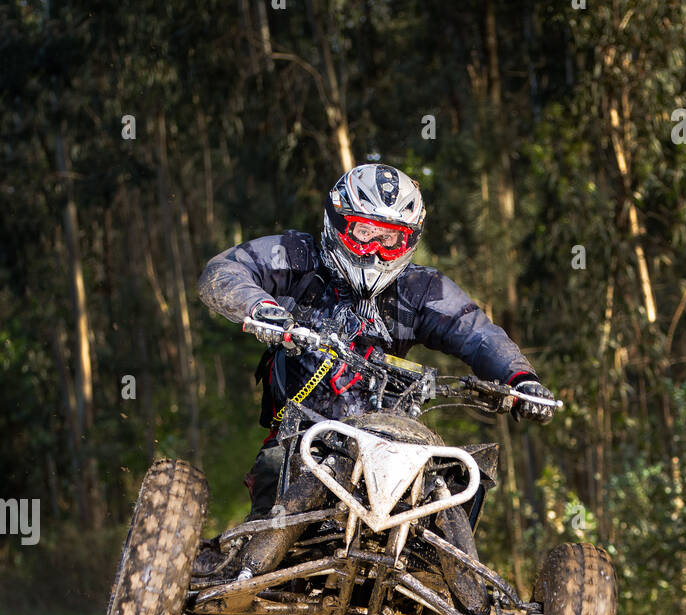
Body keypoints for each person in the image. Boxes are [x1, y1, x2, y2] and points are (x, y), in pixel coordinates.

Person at [198, 163, 556, 521]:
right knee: (275, 471)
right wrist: (262, 309)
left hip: (394, 442)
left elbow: (476, 333)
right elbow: (225, 271)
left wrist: (520, 380)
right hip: (302, 438)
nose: (374, 251)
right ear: (338, 224)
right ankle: (247, 566)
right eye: (364, 232)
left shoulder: (422, 288)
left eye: (389, 240)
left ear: (409, 241)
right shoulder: (297, 257)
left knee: (456, 480)